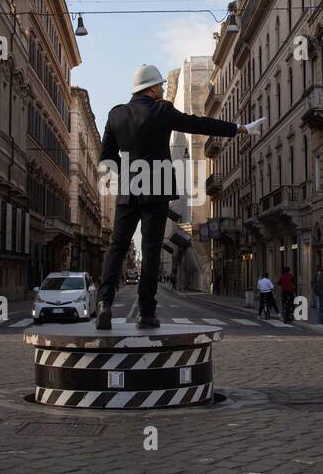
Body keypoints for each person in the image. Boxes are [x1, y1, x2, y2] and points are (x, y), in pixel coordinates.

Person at [94, 63, 259, 330]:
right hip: (156, 188)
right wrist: (238, 128)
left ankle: (104, 304)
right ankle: (146, 312)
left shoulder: (116, 114)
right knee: (150, 251)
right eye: (159, 85)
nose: (161, 88)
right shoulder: (162, 110)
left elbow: (106, 159)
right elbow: (197, 124)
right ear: (151, 88)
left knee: (116, 247)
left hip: (128, 189)